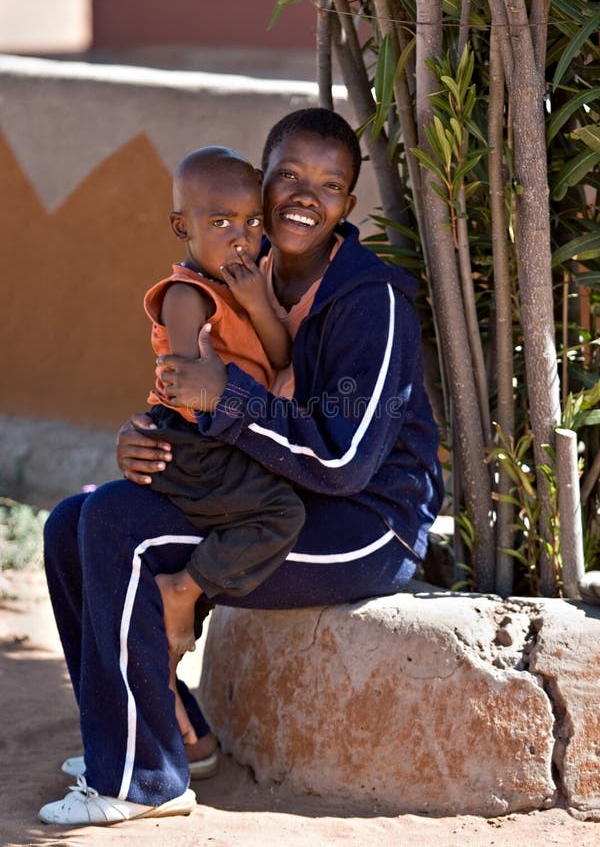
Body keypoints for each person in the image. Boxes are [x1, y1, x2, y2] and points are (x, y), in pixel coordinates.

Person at [40, 107, 444, 826]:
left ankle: (140, 779)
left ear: (348, 205)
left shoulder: (369, 302)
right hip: (269, 489)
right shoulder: (238, 277)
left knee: (117, 527)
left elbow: (344, 461)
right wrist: (148, 438)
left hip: (362, 523)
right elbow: (196, 385)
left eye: (327, 184)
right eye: (288, 175)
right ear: (261, 185)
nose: (303, 196)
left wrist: (230, 401)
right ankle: (170, 739)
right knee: (73, 521)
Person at [138, 146, 305, 740]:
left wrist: (260, 304)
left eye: (253, 222)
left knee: (250, 518)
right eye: (220, 223)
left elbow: (281, 356)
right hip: (192, 446)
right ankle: (181, 591)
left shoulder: (246, 288)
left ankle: (171, 663)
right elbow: (183, 383)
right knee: (280, 512)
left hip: (224, 436)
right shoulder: (188, 294)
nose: (242, 236)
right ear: (182, 227)